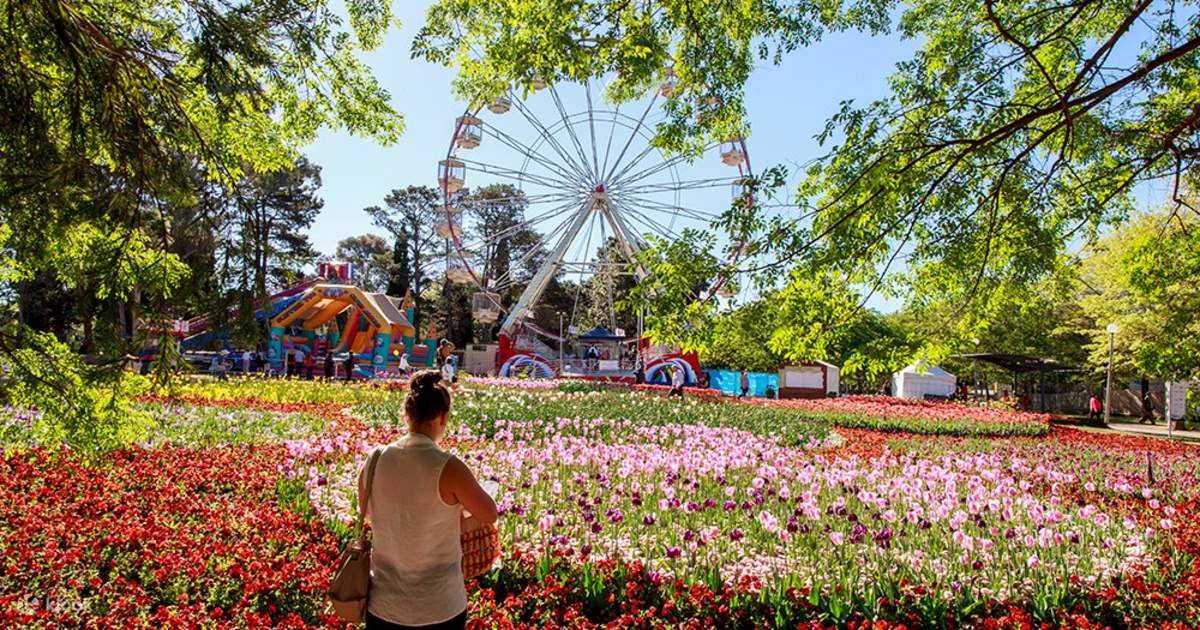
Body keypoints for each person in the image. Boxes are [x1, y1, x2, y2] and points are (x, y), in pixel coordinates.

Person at [358, 371, 497, 630]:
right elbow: (489, 513)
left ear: (407, 414)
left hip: (383, 603)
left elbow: (366, 513)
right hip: (439, 606)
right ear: (443, 417)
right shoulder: (449, 468)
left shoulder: (375, 460)